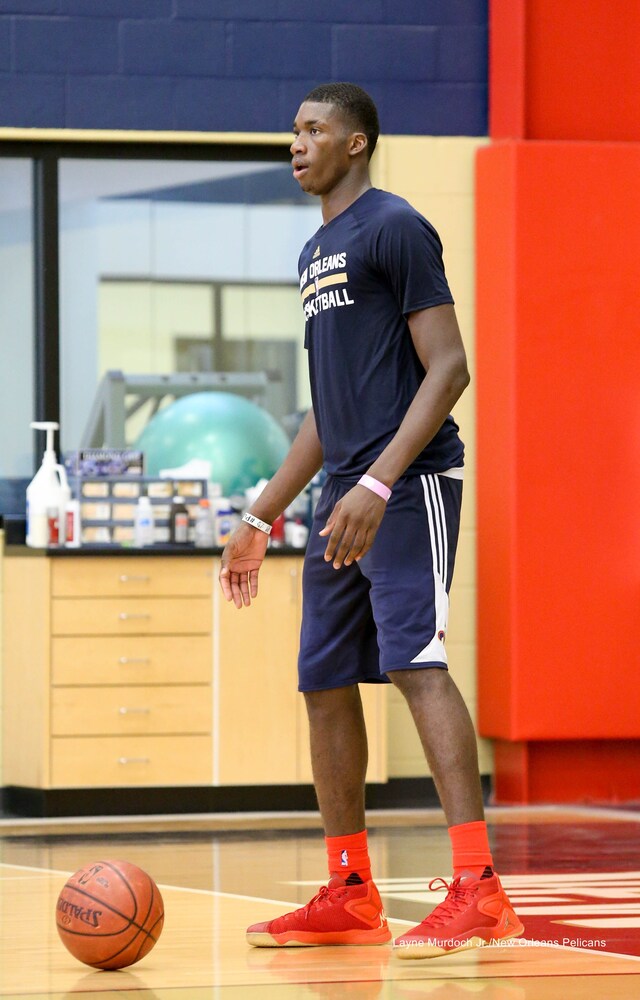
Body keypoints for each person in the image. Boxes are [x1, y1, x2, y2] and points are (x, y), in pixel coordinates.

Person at [219, 82, 523, 959]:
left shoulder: (393, 225)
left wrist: (381, 484)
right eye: (292, 130)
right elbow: (326, 409)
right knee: (322, 681)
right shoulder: (317, 251)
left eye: (314, 130)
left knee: (415, 663)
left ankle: (480, 890)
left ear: (357, 144)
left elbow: (449, 366)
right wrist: (261, 515)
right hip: (340, 494)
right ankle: (351, 890)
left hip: (407, 481)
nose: (296, 143)